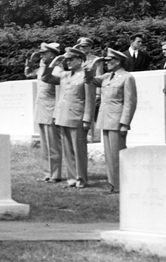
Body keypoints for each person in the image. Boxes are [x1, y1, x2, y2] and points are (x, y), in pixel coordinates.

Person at [41, 47, 95, 189]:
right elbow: (46, 78)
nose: (68, 62)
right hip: (63, 116)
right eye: (66, 60)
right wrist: (52, 64)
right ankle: (71, 178)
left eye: (71, 59)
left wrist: (87, 118)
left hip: (77, 117)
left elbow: (90, 99)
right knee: (68, 150)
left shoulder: (86, 75)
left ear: (79, 60)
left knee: (79, 151)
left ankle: (81, 178)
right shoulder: (65, 75)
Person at [85, 49, 137, 194]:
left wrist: (125, 123)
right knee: (109, 156)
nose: (107, 63)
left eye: (109, 61)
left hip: (117, 121)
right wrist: (91, 67)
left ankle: (121, 184)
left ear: (118, 61)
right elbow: (89, 80)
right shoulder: (107, 77)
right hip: (105, 119)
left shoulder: (127, 78)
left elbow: (130, 102)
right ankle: (112, 183)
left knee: (117, 154)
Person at [24, 42, 63, 182]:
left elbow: (59, 92)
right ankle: (48, 173)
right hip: (41, 108)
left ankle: (56, 174)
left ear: (52, 54)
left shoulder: (57, 70)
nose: (42, 56)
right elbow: (28, 73)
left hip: (51, 109)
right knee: (45, 144)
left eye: (44, 54)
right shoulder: (42, 69)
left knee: (53, 144)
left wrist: (56, 113)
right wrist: (29, 62)